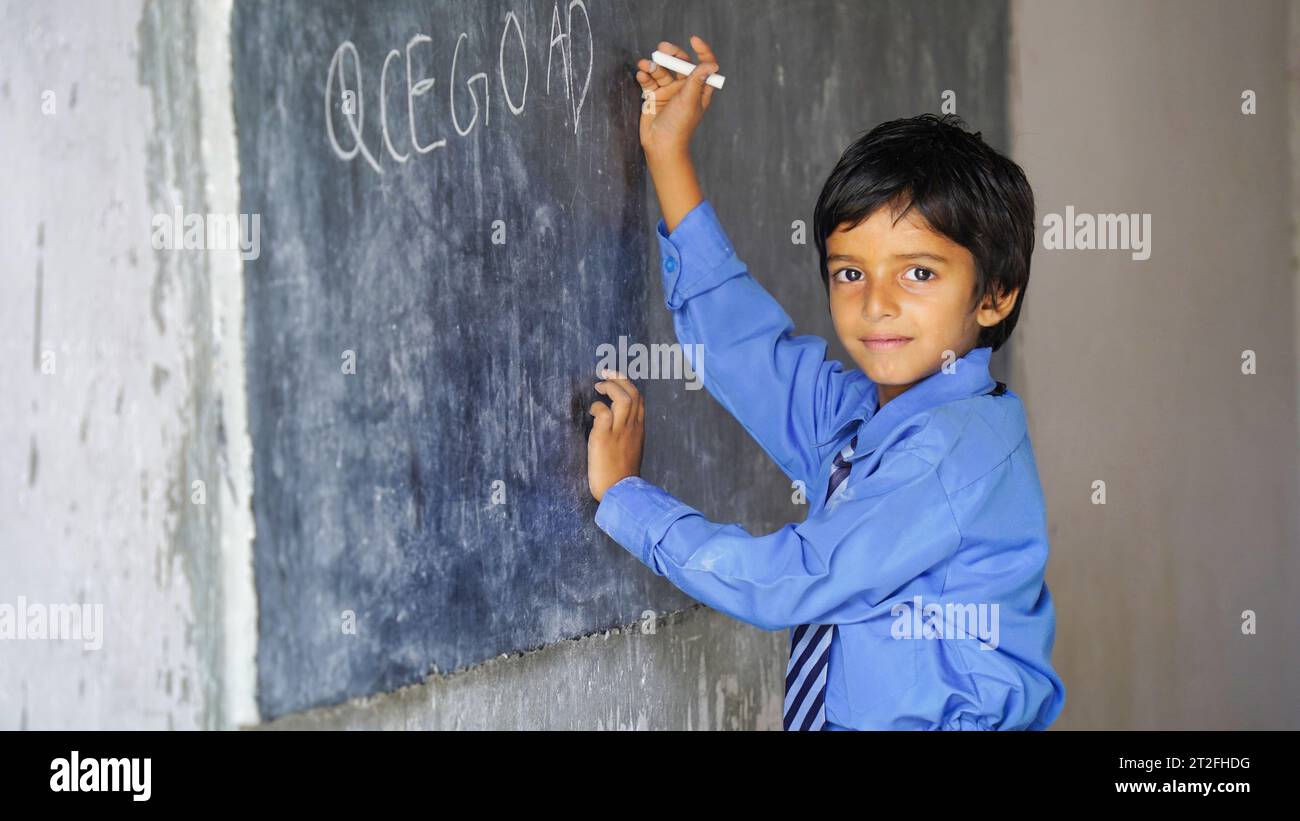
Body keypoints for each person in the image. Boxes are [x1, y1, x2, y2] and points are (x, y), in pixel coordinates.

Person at [586, 36, 1064, 731]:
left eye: (919, 273)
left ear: (995, 296)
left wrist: (630, 501)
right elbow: (746, 351)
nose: (877, 303)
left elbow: (791, 579)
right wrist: (668, 155)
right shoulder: (866, 421)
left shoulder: (945, 454)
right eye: (850, 272)